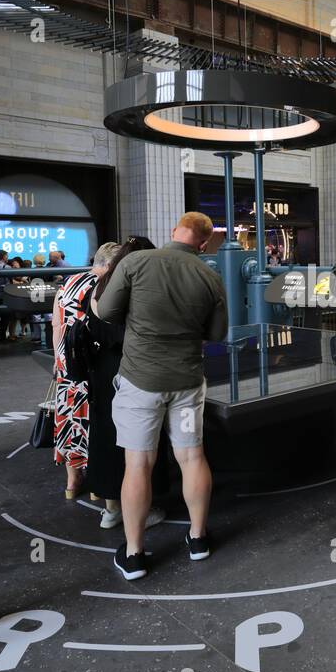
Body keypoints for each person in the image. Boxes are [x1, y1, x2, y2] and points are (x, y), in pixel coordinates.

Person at [96, 212, 228, 581]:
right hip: (186, 383)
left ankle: (135, 555)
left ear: (174, 231)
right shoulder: (209, 275)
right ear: (203, 244)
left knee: (138, 464)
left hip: (140, 382)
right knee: (191, 456)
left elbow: (107, 311)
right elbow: (217, 333)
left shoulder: (136, 262)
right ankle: (198, 539)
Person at [85, 237, 171, 528]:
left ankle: (111, 509)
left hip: (101, 372)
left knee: (106, 437)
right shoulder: (141, 290)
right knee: (139, 446)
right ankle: (143, 511)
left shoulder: (99, 289)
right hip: (135, 372)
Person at [51, 253, 98, 502]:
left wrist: (59, 360)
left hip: (67, 361)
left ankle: (72, 481)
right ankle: (97, 482)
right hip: (92, 362)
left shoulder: (67, 284)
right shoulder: (104, 286)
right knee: (92, 418)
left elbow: (57, 327)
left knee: (69, 418)